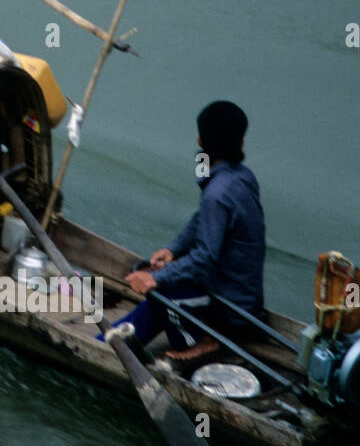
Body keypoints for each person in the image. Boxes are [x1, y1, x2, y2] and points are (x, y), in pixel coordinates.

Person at [111, 101, 266, 360]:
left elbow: (206, 256)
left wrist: (156, 279)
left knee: (160, 292)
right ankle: (111, 344)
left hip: (230, 307)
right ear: (241, 144)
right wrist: (174, 249)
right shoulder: (242, 176)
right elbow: (201, 214)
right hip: (240, 295)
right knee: (160, 286)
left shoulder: (218, 193)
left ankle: (203, 342)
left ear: (200, 139)